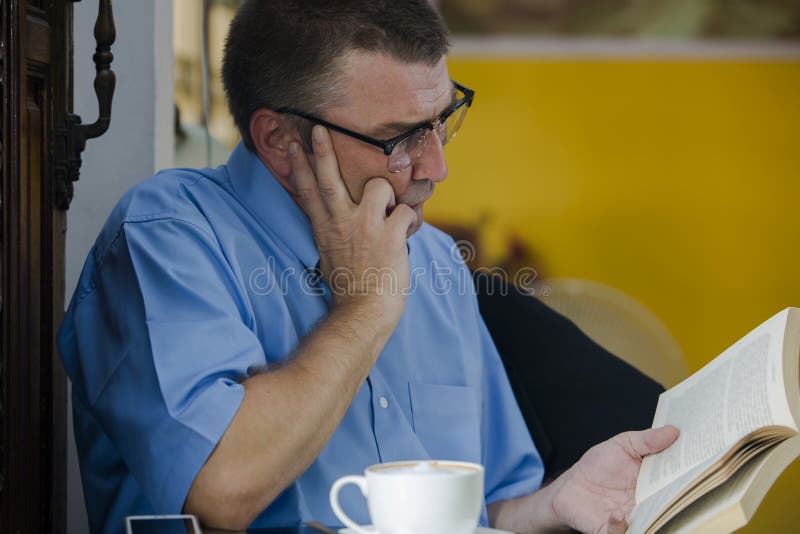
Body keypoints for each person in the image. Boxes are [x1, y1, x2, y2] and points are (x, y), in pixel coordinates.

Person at [58, 1, 678, 533]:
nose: (435, 167)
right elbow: (222, 488)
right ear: (278, 140)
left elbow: (481, 512)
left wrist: (551, 505)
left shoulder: (433, 259)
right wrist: (366, 306)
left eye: (441, 122)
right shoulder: (165, 236)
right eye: (400, 138)